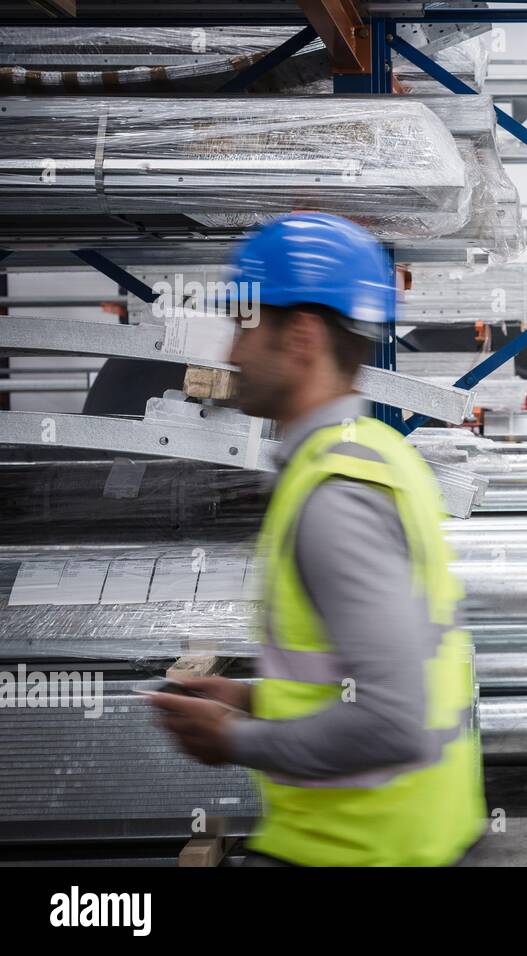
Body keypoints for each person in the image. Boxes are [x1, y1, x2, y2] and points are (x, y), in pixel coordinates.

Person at [151, 212, 485, 867]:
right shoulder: (369, 453)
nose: (230, 354)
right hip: (394, 841)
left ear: (301, 337)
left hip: (364, 850)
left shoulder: (337, 494)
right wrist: (252, 698)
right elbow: (352, 677)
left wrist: (237, 738)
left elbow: (394, 721)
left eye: (245, 328)